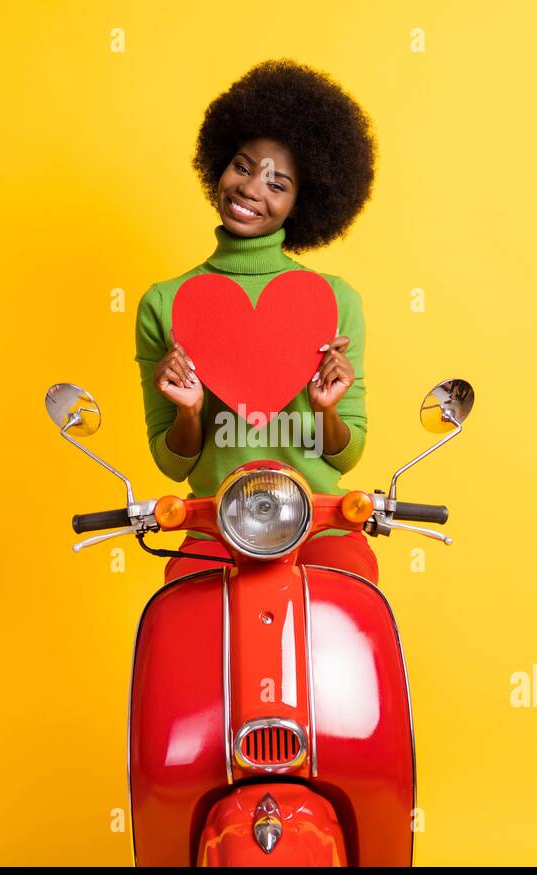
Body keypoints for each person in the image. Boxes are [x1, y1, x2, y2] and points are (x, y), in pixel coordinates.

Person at [135, 59, 379, 585]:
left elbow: (348, 453)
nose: (250, 190)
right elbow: (174, 466)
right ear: (219, 166)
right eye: (243, 167)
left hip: (320, 528)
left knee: (352, 607)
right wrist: (190, 411)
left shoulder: (335, 300)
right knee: (181, 624)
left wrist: (327, 409)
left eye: (278, 183)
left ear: (300, 204)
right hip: (213, 531)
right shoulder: (164, 303)